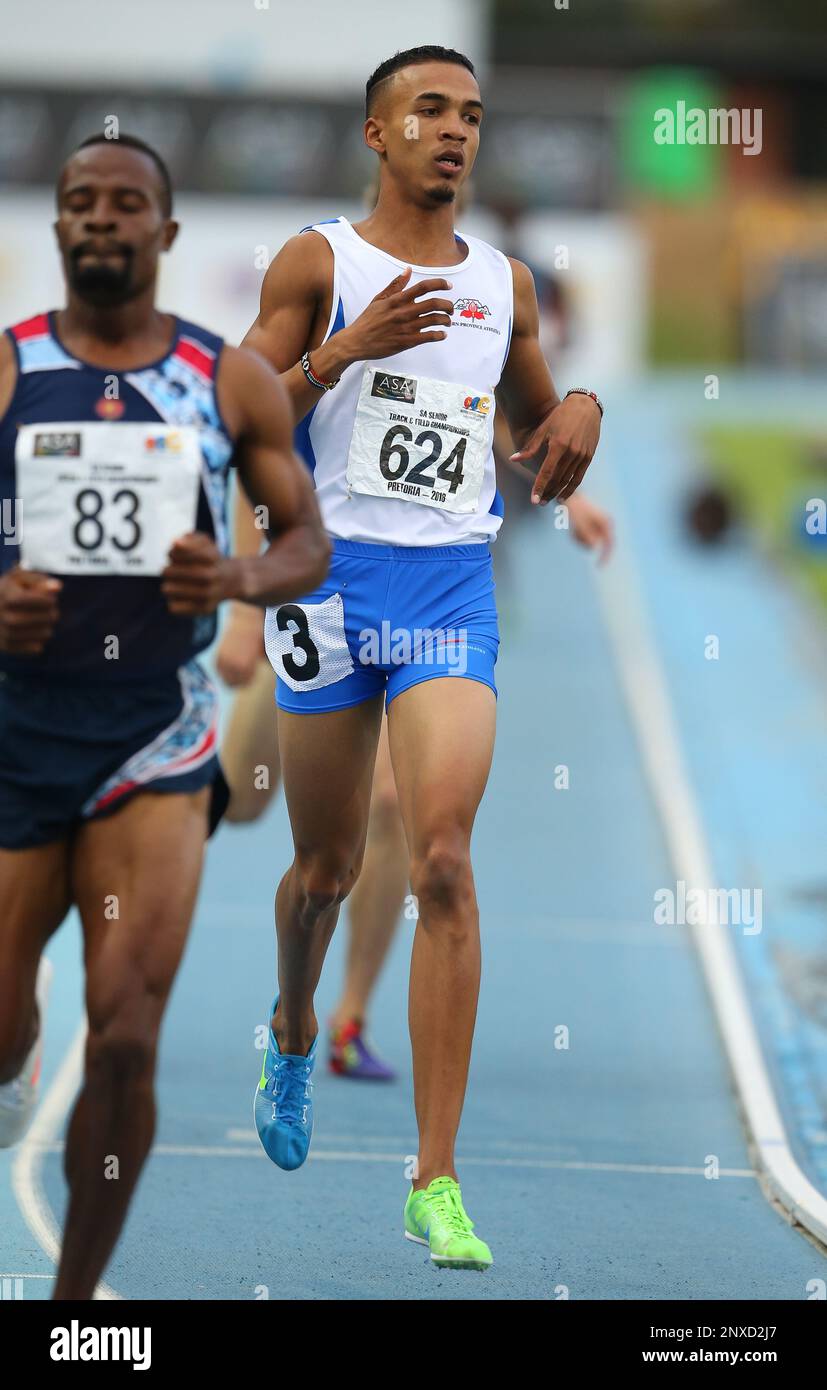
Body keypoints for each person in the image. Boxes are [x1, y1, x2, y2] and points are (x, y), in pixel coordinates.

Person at [246, 44, 603, 1271]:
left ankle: (433, 1178)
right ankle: (294, 1026)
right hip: (333, 585)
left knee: (441, 856)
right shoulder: (319, 262)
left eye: (472, 116)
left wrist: (580, 415)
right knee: (323, 870)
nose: (456, 132)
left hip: (448, 584)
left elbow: (537, 413)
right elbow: (243, 414)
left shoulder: (506, 282)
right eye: (431, 112)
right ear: (376, 134)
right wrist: (342, 353)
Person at [0, 133, 329, 1300]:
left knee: (128, 1028)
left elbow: (305, 539)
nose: (102, 218)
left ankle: (71, 1310)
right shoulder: (7, 366)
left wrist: (233, 582)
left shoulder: (223, 379)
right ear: (57, 230)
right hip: (15, 729)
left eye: (126, 203)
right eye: (79, 202)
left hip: (157, 733)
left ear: (166, 233)